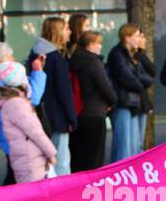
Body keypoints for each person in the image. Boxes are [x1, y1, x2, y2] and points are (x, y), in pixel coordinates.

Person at [0, 41, 46, 183]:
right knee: (18, 173)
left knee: (14, 170)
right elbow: (34, 98)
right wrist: (38, 72)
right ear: (1, 60)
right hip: (17, 136)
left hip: (7, 135)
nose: (14, 60)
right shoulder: (7, 81)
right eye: (10, 56)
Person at [0, 60, 56, 183]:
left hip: (22, 156)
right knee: (35, 194)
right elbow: (35, 132)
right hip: (30, 157)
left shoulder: (8, 101)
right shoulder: (17, 104)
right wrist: (50, 152)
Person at [106, 24, 156, 162]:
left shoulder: (135, 55)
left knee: (134, 144)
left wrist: (141, 52)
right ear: (127, 38)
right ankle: (120, 174)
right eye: (137, 36)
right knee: (125, 144)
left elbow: (151, 73)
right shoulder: (117, 54)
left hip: (135, 101)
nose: (140, 39)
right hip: (124, 101)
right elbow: (127, 77)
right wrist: (141, 81)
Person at [33, 16, 76, 176]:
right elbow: (64, 91)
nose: (69, 32)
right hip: (57, 115)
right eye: (66, 29)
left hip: (42, 113)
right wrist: (71, 117)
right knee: (61, 160)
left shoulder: (36, 53)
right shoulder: (56, 58)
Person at [69, 30, 117, 172]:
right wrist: (112, 101)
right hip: (95, 111)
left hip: (79, 112)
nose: (100, 47)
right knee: (95, 157)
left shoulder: (73, 61)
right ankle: (93, 188)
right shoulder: (94, 63)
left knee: (79, 156)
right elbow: (105, 87)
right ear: (90, 45)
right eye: (98, 44)